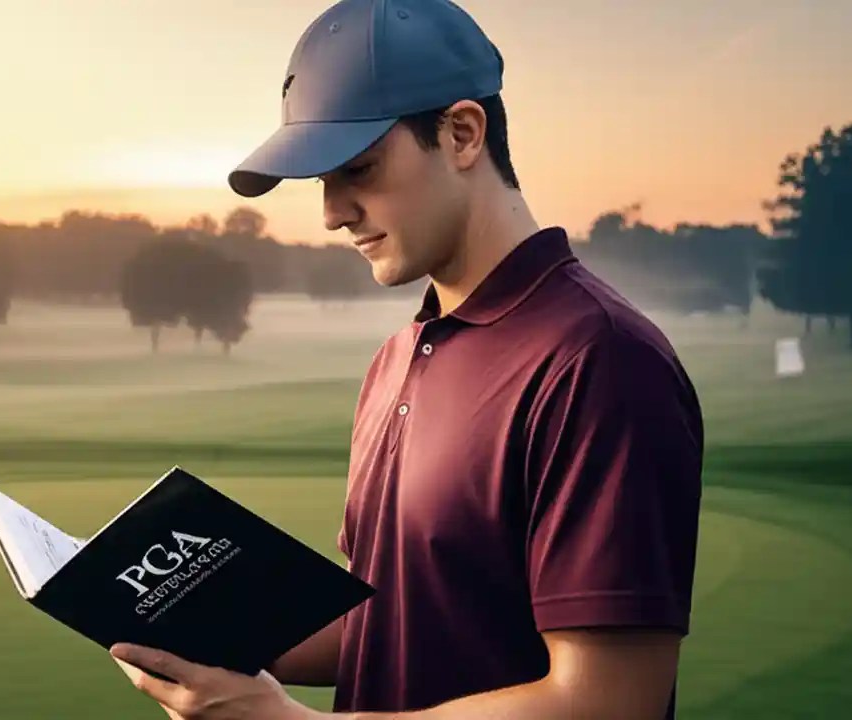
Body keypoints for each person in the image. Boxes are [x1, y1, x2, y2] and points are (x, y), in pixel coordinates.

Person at [109, 0, 704, 718]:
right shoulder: (397, 359)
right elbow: (394, 616)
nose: (332, 212)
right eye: (322, 182)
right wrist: (194, 623)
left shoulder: (599, 360)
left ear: (462, 134)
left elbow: (609, 702)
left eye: (358, 169)